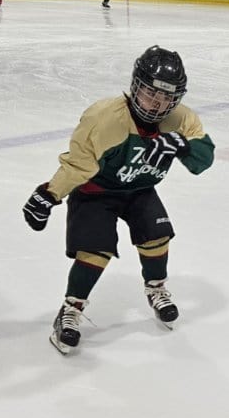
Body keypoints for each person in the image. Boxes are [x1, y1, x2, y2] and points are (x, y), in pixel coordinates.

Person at [21, 47, 216, 354]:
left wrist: (184, 146)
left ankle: (156, 288)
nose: (158, 104)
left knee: (156, 235)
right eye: (151, 94)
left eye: (167, 97)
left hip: (139, 189)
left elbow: (203, 161)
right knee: (95, 250)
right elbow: (79, 165)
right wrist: (50, 193)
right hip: (96, 192)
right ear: (136, 87)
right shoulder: (104, 118)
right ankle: (71, 308)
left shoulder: (181, 119)